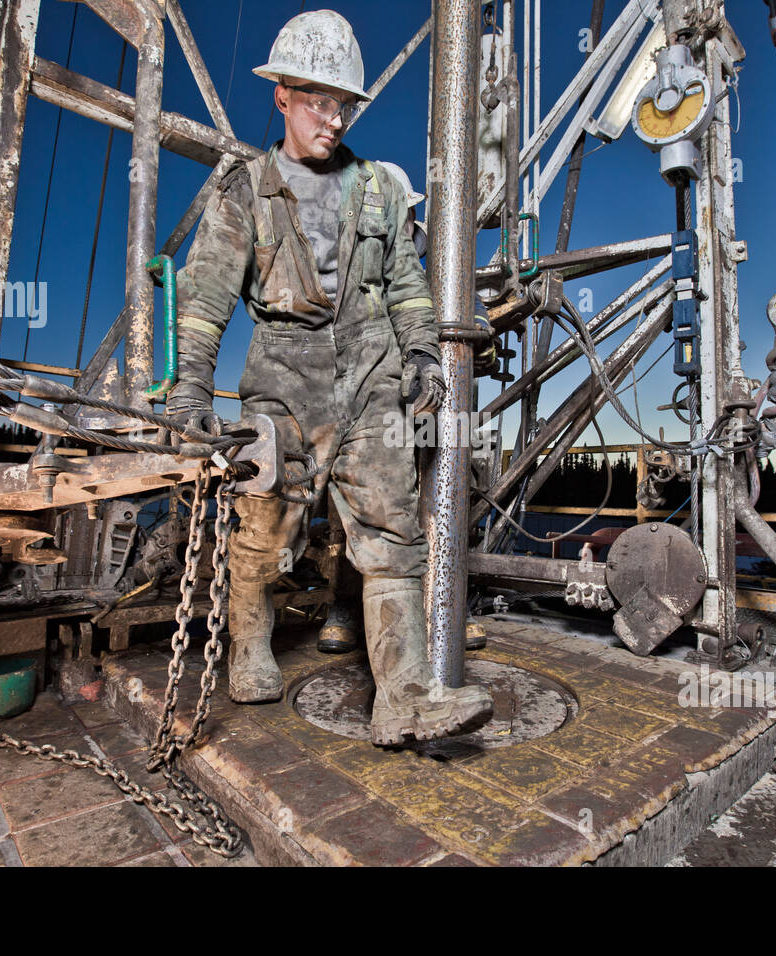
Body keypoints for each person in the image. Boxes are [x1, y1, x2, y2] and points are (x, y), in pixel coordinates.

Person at [165, 10, 492, 746]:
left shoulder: (377, 187)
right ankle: (249, 643)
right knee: (268, 530)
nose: (335, 118)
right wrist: (189, 384)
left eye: (345, 105)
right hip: (283, 377)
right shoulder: (245, 190)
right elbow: (208, 293)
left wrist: (419, 357)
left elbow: (408, 287)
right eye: (320, 101)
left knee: (391, 533)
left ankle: (404, 699)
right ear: (281, 94)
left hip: (371, 373)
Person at [316, 160, 495, 655]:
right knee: (359, 506)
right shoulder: (356, 253)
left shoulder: (441, 258)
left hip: (433, 400)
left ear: (411, 210)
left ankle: (448, 607)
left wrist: (476, 329)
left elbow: (473, 312)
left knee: (443, 500)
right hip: (372, 399)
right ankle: (347, 609)